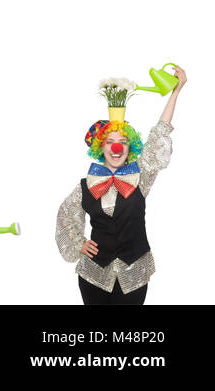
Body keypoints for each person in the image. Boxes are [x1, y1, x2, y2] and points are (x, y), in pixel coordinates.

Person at [55, 66, 187, 305]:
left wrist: (175, 93)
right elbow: (65, 215)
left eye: (123, 142)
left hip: (134, 275)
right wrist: (78, 243)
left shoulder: (141, 176)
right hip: (94, 277)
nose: (116, 147)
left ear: (130, 148)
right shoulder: (86, 186)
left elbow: (159, 134)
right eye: (110, 142)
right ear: (101, 147)